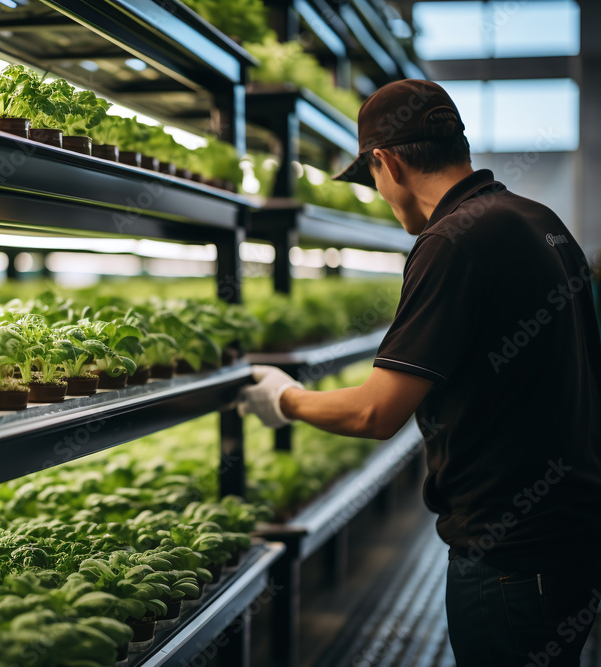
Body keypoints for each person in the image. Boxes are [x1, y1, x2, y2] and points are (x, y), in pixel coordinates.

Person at [238, 79, 601, 666]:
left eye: (374, 180)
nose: (382, 195)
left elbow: (376, 412)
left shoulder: (452, 241)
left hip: (510, 556)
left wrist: (285, 400)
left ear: (386, 162)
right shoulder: (537, 219)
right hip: (569, 539)